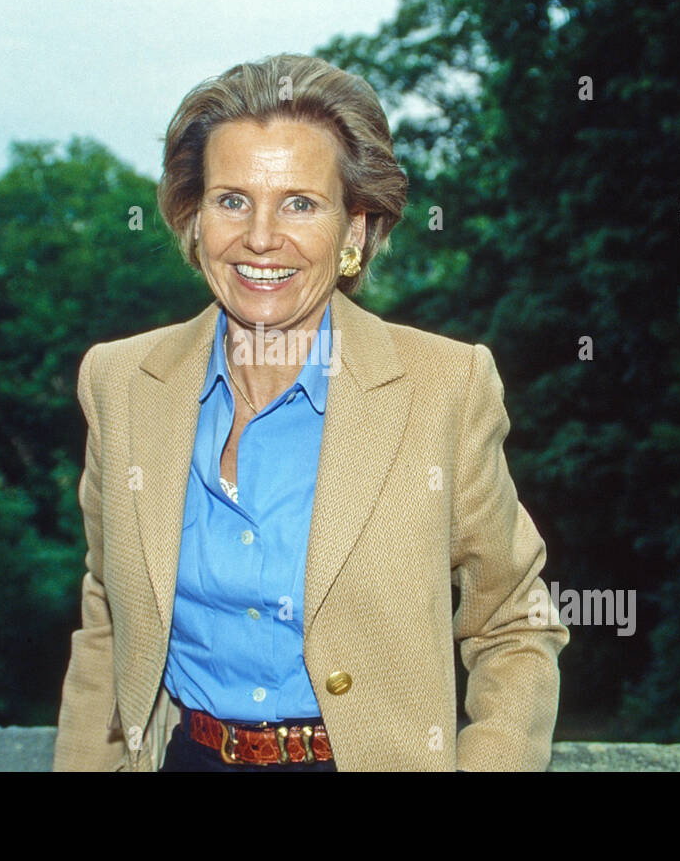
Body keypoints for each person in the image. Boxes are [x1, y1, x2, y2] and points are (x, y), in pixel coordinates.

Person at [52, 53, 569, 772]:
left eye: (300, 202)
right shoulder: (119, 382)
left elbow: (513, 622)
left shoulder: (444, 387)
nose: (261, 236)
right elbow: (107, 622)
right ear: (194, 218)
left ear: (355, 230)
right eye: (232, 199)